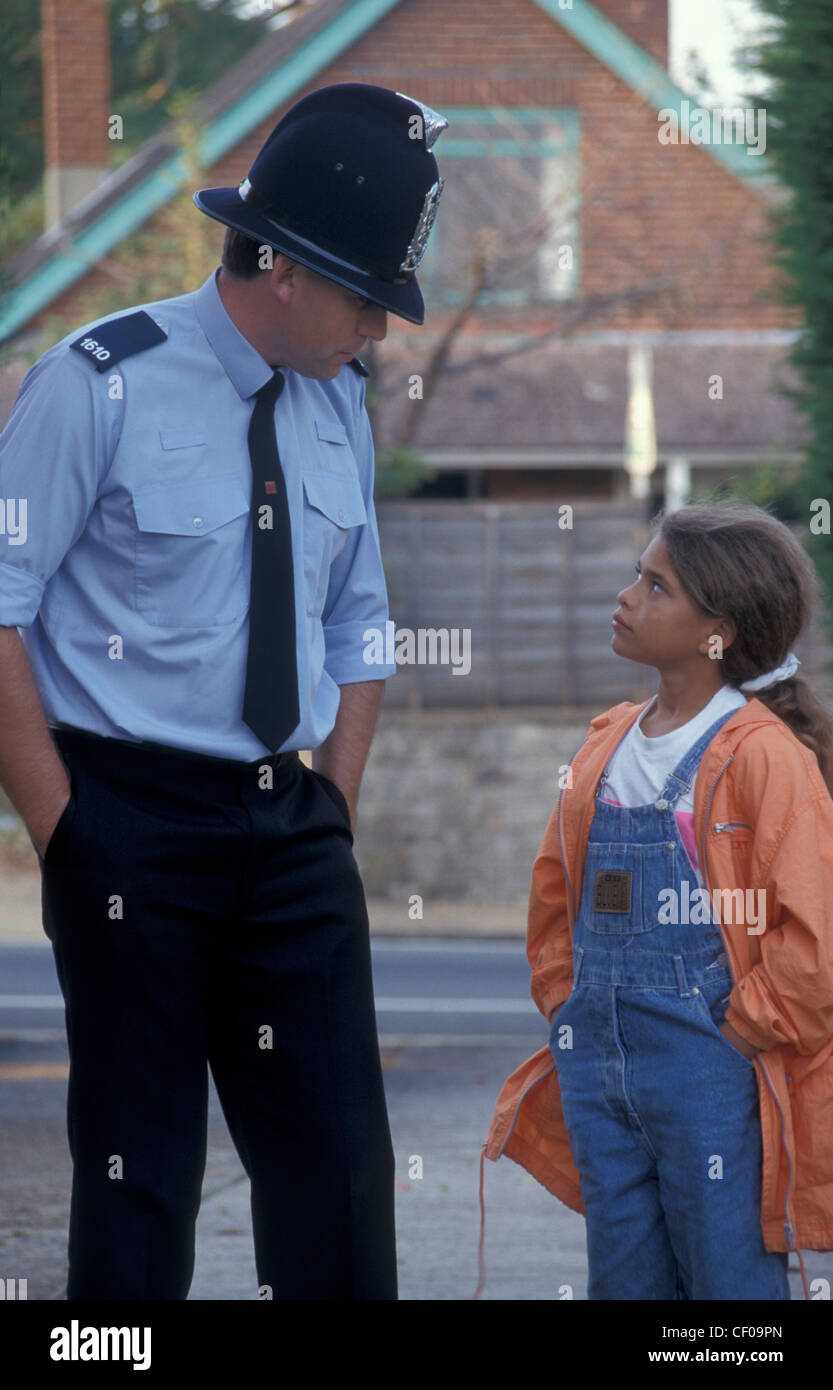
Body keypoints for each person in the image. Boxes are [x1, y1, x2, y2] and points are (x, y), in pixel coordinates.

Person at [0, 82, 446, 1301]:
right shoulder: (97, 383)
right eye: (368, 299)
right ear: (286, 270)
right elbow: (0, 604)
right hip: (128, 827)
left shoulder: (336, 404)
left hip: (288, 829)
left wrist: (332, 809)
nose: (382, 331)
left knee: (340, 1182)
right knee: (140, 1178)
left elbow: (359, 621)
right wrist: (65, 829)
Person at [485, 499, 833, 1300]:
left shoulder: (761, 757)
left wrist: (740, 1032)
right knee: (624, 1272)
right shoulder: (605, 739)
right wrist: (564, 997)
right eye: (634, 576)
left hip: (709, 1067)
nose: (625, 597)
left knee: (725, 1275)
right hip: (597, 1063)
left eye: (654, 586)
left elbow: (813, 937)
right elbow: (554, 893)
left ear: (718, 628)